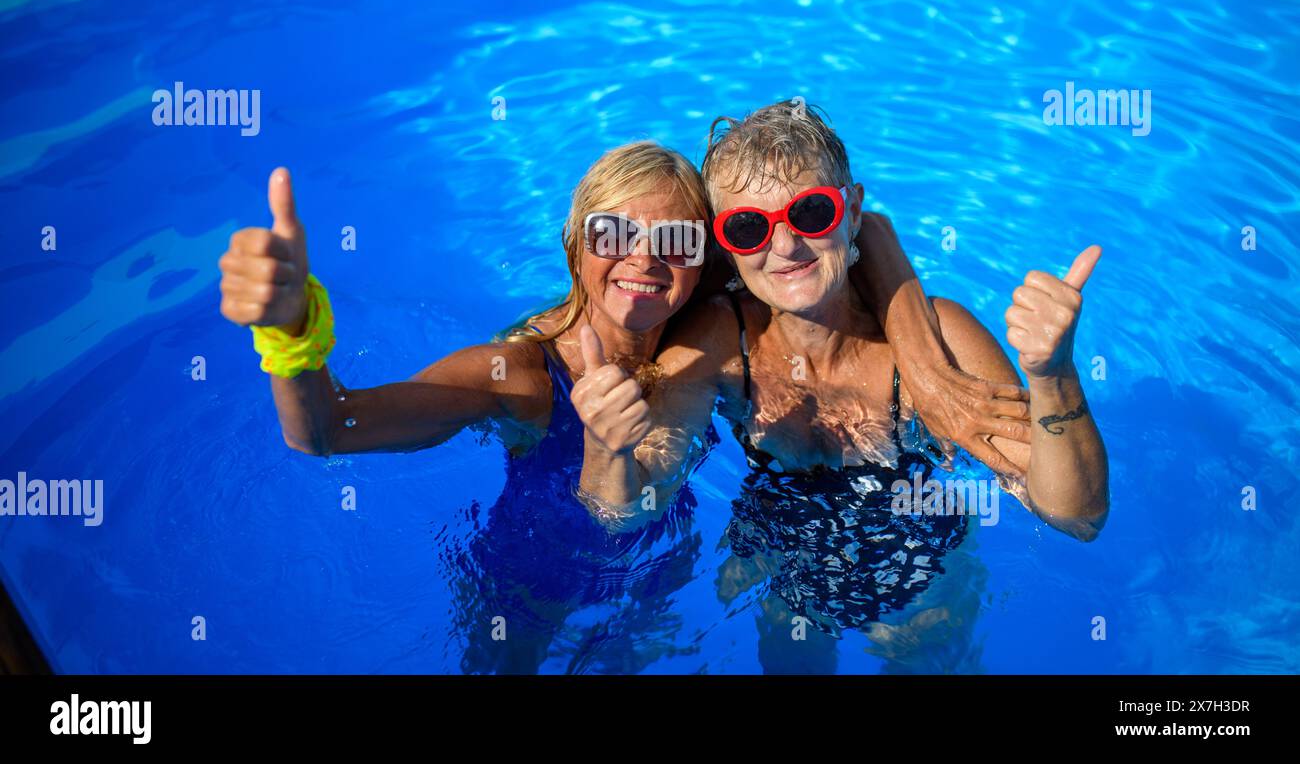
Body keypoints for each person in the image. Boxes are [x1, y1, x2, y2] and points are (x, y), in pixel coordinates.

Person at [216, 139, 1015, 669]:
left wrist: (921, 349)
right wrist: (291, 334)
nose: (641, 260)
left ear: (704, 262)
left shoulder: (710, 331)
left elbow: (858, 229)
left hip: (660, 574)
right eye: (611, 234)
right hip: (530, 593)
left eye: (673, 242)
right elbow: (327, 430)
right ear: (573, 245)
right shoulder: (521, 372)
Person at [573, 102, 1109, 538]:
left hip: (918, 557)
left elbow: (1075, 516)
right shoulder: (719, 340)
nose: (784, 245)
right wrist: (605, 448)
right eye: (747, 227)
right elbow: (625, 510)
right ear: (725, 247)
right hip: (778, 551)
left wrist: (1054, 377)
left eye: (811, 213)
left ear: (852, 211)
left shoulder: (942, 337)